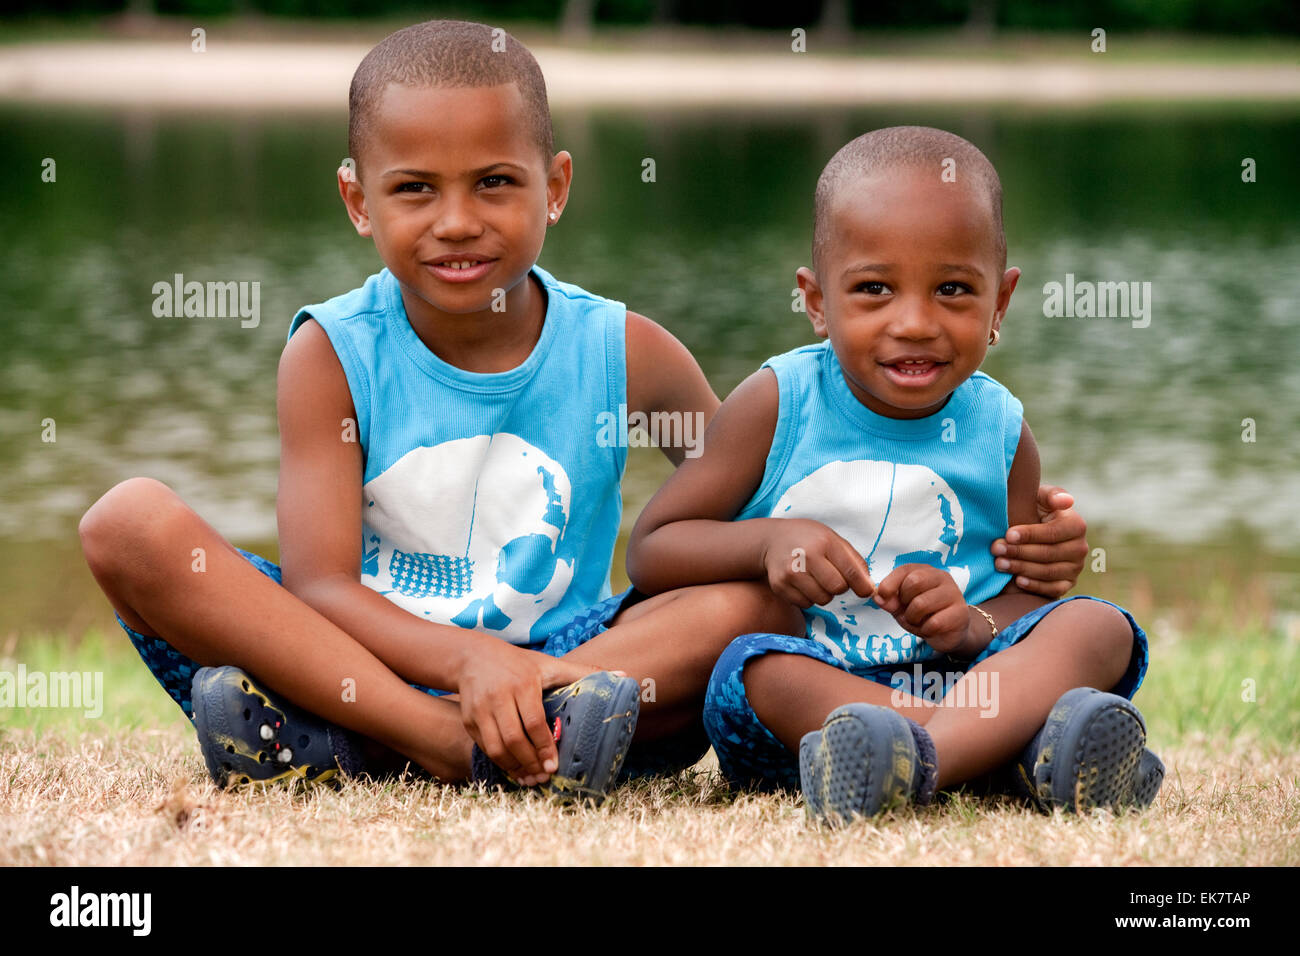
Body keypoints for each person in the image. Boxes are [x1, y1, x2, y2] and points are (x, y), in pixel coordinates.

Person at [78, 23, 1091, 806]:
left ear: (554, 186)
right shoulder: (329, 353)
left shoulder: (625, 351)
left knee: (750, 605)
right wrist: (469, 669)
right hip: (366, 660)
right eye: (414, 189)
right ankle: (442, 740)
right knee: (129, 521)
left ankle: (354, 742)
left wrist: (1009, 566)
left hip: (586, 663)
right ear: (357, 201)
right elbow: (323, 586)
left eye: (495, 183)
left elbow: (754, 525)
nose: (458, 220)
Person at [626, 126, 1162, 825]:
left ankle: (920, 763)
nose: (914, 323)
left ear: (999, 303)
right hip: (819, 696)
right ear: (817, 301)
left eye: (952, 290)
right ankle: (1010, 757)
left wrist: (967, 622)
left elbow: (1022, 603)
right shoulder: (777, 404)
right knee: (752, 669)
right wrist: (765, 544)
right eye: (874, 289)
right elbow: (654, 548)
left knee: (1099, 626)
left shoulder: (1000, 430)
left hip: (963, 686)